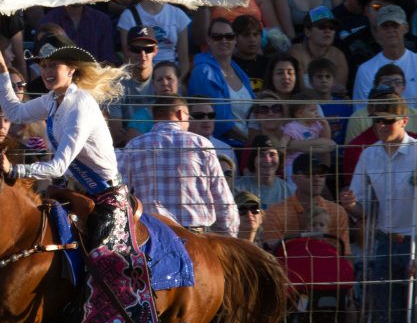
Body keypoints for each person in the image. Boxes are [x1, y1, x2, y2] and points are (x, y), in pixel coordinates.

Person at [0, 41, 135, 261]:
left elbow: (58, 166)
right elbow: (14, 113)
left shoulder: (81, 105)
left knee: (103, 262)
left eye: (53, 65)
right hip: (71, 192)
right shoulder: (51, 100)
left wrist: (14, 170)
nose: (47, 71)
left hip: (104, 196)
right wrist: (0, 69)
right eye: (44, 66)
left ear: (71, 69)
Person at [340, 93, 417, 323]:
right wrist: (351, 205)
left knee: (413, 312)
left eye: (388, 121)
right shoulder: (369, 154)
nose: (382, 126)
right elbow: (362, 208)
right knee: (387, 313)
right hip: (385, 241)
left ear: (404, 121)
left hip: (413, 241)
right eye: (377, 121)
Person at [119, 93, 239, 233]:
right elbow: (222, 198)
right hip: (194, 237)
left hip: (153, 235)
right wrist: (229, 234)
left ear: (154, 117)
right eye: (189, 117)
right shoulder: (201, 144)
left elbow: (120, 191)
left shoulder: (134, 146)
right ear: (181, 114)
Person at [262, 153, 350, 253]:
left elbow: (345, 257)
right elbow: (270, 258)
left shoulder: (337, 212)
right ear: (294, 178)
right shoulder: (275, 213)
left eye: (321, 173)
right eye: (309, 173)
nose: (317, 178)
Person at [187, 16, 255, 146]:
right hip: (222, 147)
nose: (224, 40)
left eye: (229, 36)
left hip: (245, 145)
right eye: (217, 37)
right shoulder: (203, 72)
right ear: (208, 40)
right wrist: (250, 142)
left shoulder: (238, 70)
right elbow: (219, 121)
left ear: (235, 39)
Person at [352, 4, 417, 109]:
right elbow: (362, 114)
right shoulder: (365, 70)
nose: (390, 30)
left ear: (406, 28)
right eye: (385, 26)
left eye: (395, 25)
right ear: (377, 31)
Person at [108, 23, 158, 146]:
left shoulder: (164, 78)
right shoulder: (115, 84)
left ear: (155, 51)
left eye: (148, 49)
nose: (142, 55)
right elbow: (116, 136)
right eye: (136, 49)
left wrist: (130, 132)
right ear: (128, 51)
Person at [289, 6, 349, 91]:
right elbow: (299, 89)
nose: (328, 30)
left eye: (332, 27)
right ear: (307, 31)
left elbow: (339, 92)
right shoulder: (296, 52)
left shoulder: (338, 55)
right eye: (322, 27)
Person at [38, 3, 116, 65]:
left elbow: (108, 61)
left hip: (94, 80)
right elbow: (43, 60)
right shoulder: (49, 20)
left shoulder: (102, 20)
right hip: (61, 80)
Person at [281, 88, 334, 179]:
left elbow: (326, 139)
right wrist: (281, 149)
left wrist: (325, 125)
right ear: (300, 113)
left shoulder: (316, 125)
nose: (317, 112)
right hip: (292, 163)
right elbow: (285, 139)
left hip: (311, 162)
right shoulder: (292, 126)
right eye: (313, 110)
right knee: (293, 186)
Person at [235, 136, 294, 208]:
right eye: (261, 155)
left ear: (279, 158)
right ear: (253, 159)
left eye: (272, 155)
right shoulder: (237, 190)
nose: (267, 160)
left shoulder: (289, 192)